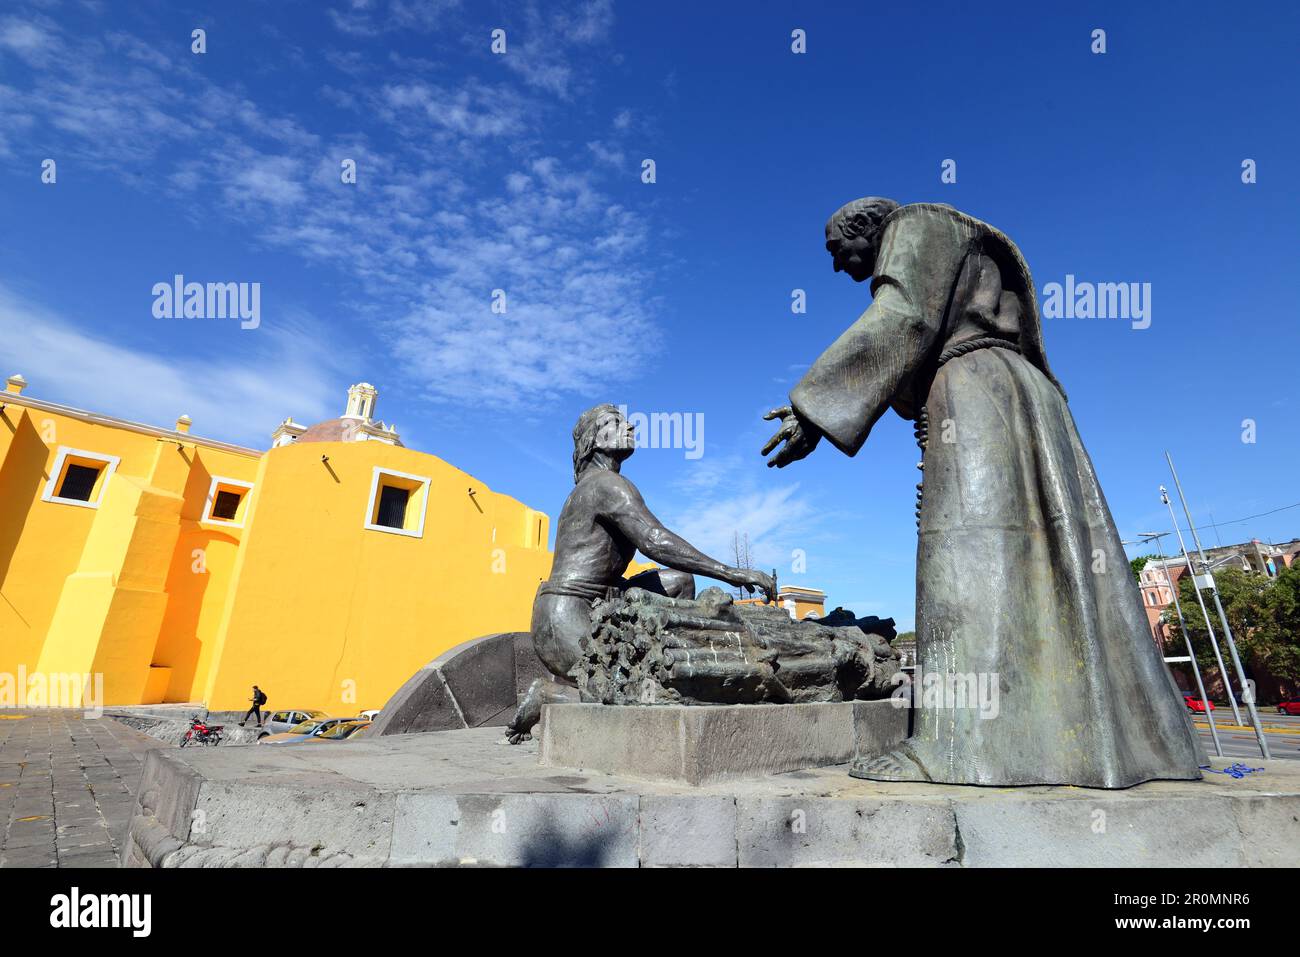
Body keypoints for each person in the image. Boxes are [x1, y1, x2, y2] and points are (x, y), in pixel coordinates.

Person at [761, 197, 1202, 788]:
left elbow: (905, 316)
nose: (839, 268)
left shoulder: (913, 226)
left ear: (862, 228)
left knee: (963, 558)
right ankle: (1098, 744)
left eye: (837, 251)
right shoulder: (948, 234)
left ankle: (952, 747)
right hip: (1012, 392)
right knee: (1041, 566)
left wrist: (811, 410)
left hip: (977, 393)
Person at [505, 404, 774, 742]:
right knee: (630, 684)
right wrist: (730, 573)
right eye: (614, 422)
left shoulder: (601, 484)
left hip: (591, 607)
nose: (629, 425)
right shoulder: (606, 485)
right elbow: (655, 540)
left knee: (679, 583)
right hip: (565, 618)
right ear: (593, 440)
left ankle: (672, 657)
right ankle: (549, 696)